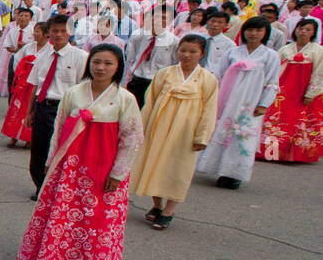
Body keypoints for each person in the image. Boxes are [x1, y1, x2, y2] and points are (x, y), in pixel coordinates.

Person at [17, 44, 142, 260]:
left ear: (118, 67)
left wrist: (118, 173)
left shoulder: (125, 99)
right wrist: (51, 162)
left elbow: (131, 139)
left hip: (103, 168)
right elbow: (59, 128)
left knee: (96, 219)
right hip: (71, 166)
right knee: (63, 215)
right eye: (97, 62)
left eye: (108, 63)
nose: (101, 67)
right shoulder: (74, 92)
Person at [132, 34, 219, 230]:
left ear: (202, 54)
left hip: (186, 131)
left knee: (178, 168)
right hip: (159, 126)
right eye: (183, 50)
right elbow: (150, 102)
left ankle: (169, 210)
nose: (187, 55)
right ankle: (157, 204)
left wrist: (202, 136)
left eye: (193, 51)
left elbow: (209, 110)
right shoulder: (164, 74)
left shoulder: (208, 79)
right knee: (155, 163)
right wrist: (142, 128)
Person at [195, 16, 281, 189]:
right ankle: (219, 168)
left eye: (258, 30)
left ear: (265, 33)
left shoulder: (270, 55)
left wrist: (263, 104)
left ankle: (235, 174)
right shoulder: (234, 52)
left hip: (250, 103)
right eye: (250, 30)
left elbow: (272, 82)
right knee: (223, 132)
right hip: (228, 100)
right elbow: (218, 75)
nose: (253, 34)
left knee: (243, 137)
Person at [24, 14, 88, 197]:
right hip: (43, 107)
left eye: (63, 31)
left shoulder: (81, 57)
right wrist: (29, 113)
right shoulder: (42, 56)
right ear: (48, 33)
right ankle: (40, 185)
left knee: (61, 150)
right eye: (55, 31)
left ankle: (57, 188)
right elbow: (35, 86)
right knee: (39, 149)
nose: (59, 34)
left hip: (66, 109)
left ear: (70, 33)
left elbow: (83, 89)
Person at [257, 18, 323, 164]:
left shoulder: (318, 50)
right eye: (301, 28)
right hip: (283, 91)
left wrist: (311, 93)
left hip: (303, 91)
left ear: (313, 32)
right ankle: (271, 153)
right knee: (277, 121)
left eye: (308, 29)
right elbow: (275, 69)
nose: (303, 32)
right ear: (295, 30)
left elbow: (319, 73)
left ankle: (297, 154)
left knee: (300, 122)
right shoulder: (286, 49)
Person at [1, 20, 45, 148]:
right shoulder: (28, 47)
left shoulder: (49, 50)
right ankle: (13, 135)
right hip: (24, 80)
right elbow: (17, 60)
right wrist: (19, 75)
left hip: (38, 81)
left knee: (31, 110)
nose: (35, 34)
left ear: (45, 34)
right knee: (17, 107)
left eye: (38, 31)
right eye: (34, 31)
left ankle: (28, 138)